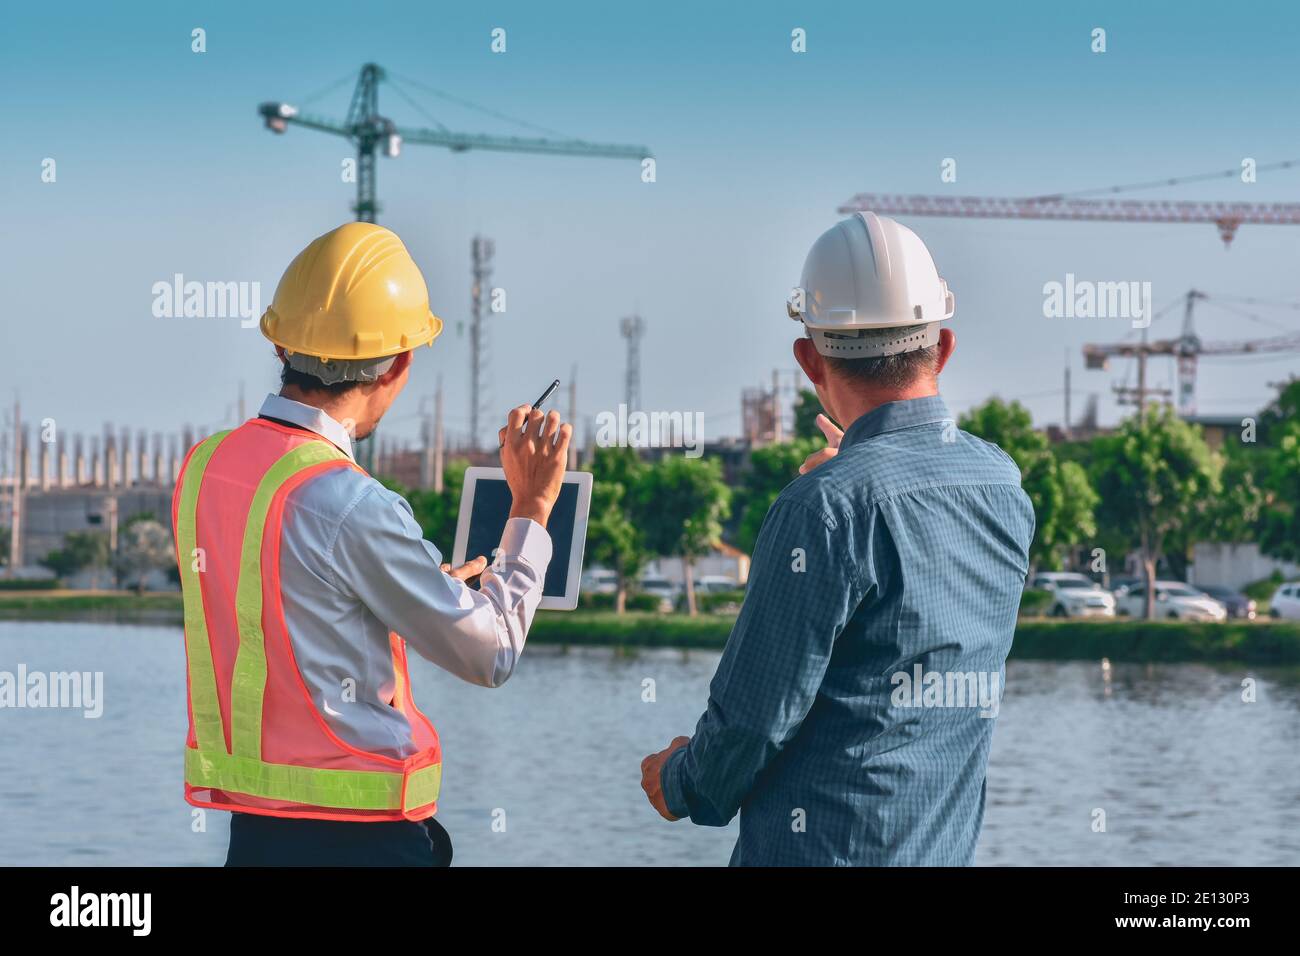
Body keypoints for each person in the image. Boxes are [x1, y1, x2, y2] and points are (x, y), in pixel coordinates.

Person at [640, 212, 1034, 865]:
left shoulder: (822, 509)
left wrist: (681, 781)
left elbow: (752, 719)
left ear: (808, 358)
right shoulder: (1002, 485)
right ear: (943, 347)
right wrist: (860, 481)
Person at [173, 222, 571, 866]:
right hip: (360, 844)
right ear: (401, 363)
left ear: (281, 346)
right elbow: (491, 655)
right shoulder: (350, 503)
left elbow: (280, 607)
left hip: (254, 839)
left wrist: (412, 582)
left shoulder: (205, 468)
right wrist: (531, 506)